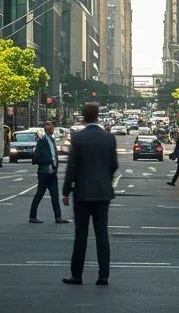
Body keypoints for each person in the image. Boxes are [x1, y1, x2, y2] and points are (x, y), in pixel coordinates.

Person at [61, 102, 118, 287]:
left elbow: (72, 166)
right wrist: (106, 180)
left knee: (81, 234)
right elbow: (113, 165)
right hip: (103, 192)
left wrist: (66, 190)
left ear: (83, 117)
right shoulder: (109, 138)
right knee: (102, 234)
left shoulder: (78, 138)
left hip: (82, 192)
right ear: (98, 116)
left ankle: (76, 274)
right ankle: (103, 276)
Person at [29, 121, 70, 225]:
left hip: (52, 172)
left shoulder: (51, 140)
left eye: (52, 127)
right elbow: (36, 156)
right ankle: (32, 216)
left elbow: (53, 155)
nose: (52, 129)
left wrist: (54, 165)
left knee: (55, 195)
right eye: (50, 128)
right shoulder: (42, 141)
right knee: (39, 194)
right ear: (46, 130)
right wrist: (46, 163)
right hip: (44, 172)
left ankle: (58, 217)